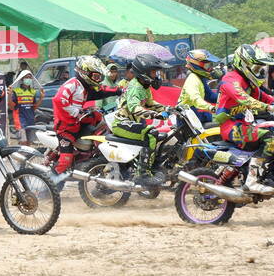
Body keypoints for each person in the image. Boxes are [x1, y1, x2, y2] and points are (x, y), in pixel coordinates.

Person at [216, 44, 274, 195]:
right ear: (243, 64)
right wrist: (270, 108)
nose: (258, 72)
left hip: (244, 124)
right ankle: (252, 182)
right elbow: (244, 98)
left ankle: (271, 174)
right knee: (270, 138)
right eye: (255, 68)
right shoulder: (230, 79)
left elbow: (263, 96)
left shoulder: (248, 82)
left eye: (259, 69)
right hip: (231, 127)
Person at [50, 55, 115, 178]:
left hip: (76, 124)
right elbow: (58, 100)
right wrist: (76, 112)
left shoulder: (84, 86)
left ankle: (89, 157)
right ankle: (48, 182)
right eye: (96, 76)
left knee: (98, 117)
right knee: (65, 160)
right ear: (85, 72)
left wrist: (120, 91)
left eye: (99, 76)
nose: (98, 79)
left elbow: (101, 91)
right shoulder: (73, 84)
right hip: (65, 128)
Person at [109, 53, 168, 185]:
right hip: (122, 124)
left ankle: (153, 167)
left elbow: (150, 103)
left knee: (160, 136)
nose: (156, 75)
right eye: (153, 72)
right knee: (151, 134)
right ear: (144, 72)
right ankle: (143, 173)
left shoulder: (144, 85)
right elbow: (135, 108)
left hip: (131, 123)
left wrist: (169, 109)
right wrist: (156, 115)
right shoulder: (135, 87)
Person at [180, 49, 220, 121]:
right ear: (197, 65)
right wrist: (210, 107)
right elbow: (195, 98)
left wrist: (226, 98)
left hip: (194, 114)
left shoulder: (200, 78)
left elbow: (210, 96)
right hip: (186, 118)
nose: (210, 69)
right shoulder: (193, 79)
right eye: (207, 66)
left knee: (213, 118)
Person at [7, 69, 42, 143]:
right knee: (23, 142)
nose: (28, 79)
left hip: (31, 120)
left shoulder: (33, 92)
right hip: (20, 121)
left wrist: (41, 98)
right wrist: (9, 96)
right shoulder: (16, 91)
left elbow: (34, 107)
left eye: (30, 77)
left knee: (29, 143)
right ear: (22, 79)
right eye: (26, 77)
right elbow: (11, 107)